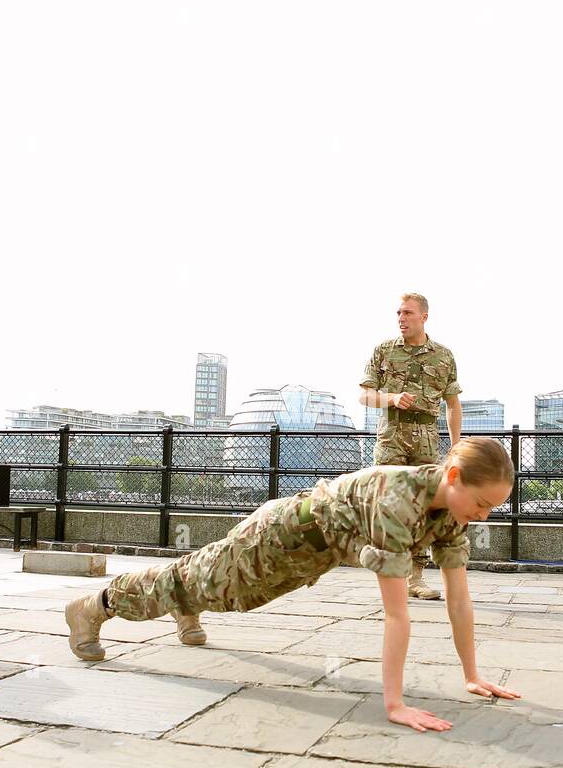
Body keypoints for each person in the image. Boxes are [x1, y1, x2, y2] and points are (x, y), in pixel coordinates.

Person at [65, 437, 521, 732]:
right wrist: (395, 704)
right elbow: (397, 614)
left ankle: (188, 602)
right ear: (455, 476)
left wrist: (472, 676)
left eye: (491, 510)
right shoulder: (397, 501)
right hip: (279, 535)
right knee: (203, 581)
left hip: (311, 553)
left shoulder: (452, 514)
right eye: (481, 504)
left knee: (218, 592)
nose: (483, 516)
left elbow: (459, 601)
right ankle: (94, 606)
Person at [358, 292, 463, 600]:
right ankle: (391, 574)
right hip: (391, 433)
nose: (401, 318)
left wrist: (456, 447)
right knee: (389, 503)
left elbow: (453, 404)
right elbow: (364, 395)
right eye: (398, 313)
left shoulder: (443, 356)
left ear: (423, 317)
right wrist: (390, 398)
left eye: (407, 313)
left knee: (426, 506)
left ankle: (415, 579)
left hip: (427, 435)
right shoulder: (384, 351)